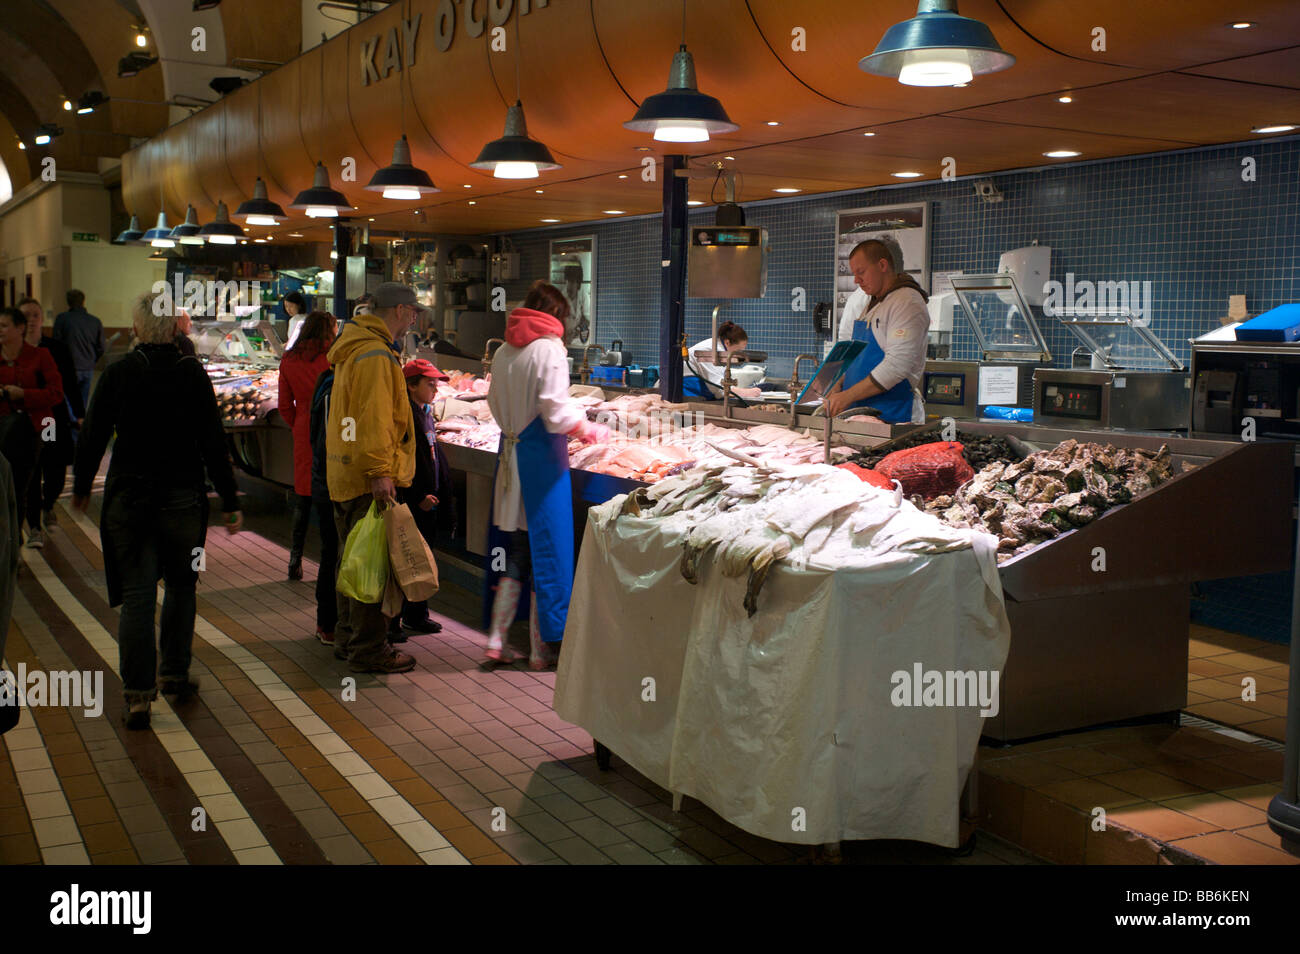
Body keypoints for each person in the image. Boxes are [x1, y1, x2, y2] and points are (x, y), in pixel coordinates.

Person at [72, 291, 243, 730]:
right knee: (183, 589)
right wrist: (229, 498)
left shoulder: (119, 373)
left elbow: (92, 434)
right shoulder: (192, 375)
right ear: (174, 329)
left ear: (136, 329)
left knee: (137, 596)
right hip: (183, 501)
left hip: (130, 500)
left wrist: (78, 488)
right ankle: (174, 674)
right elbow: (213, 441)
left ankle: (137, 698)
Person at [485, 280, 610, 669]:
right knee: (550, 553)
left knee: (519, 550)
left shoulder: (505, 349)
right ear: (556, 316)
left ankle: (497, 638)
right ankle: (543, 649)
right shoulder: (549, 349)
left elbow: (492, 401)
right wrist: (589, 429)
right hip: (541, 464)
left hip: (510, 456)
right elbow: (556, 414)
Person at [326, 281, 426, 674]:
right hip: (367, 477)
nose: (415, 318)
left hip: (346, 471)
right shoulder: (374, 355)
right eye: (413, 311)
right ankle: (368, 648)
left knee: (351, 560)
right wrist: (380, 472)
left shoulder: (357, 346)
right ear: (400, 310)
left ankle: (349, 637)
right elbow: (375, 419)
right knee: (370, 566)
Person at [822, 239, 929, 423]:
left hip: (892, 415)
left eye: (861, 272)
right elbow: (853, 352)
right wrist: (838, 382)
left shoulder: (906, 301)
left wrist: (847, 396)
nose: (856, 280)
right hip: (862, 414)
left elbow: (897, 365)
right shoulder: (874, 302)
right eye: (854, 274)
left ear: (882, 265)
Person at [387, 358, 453, 641]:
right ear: (411, 386)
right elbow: (399, 461)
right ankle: (394, 621)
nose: (435, 389)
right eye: (430, 383)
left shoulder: (425, 412)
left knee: (423, 557)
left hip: (430, 500)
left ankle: (416, 614)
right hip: (414, 501)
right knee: (406, 558)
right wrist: (416, 497)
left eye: (436, 383)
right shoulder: (403, 415)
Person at [278, 311, 336, 586]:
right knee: (332, 498)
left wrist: (298, 424)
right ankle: (333, 562)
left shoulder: (289, 359)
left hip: (303, 429)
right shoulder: (334, 358)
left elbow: (283, 406)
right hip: (332, 426)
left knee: (303, 498)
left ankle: (295, 559)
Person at [17, 297, 84, 534]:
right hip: (23, 420)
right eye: (26, 315)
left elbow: (70, 384)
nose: (32, 320)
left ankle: (48, 505)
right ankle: (34, 525)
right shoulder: (11, 350)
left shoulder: (55, 348)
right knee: (32, 470)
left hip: (51, 418)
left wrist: (79, 414)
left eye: (35, 315)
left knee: (55, 467)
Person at [0, 306, 63, 549]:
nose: (1, 330)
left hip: (33, 428)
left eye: (5, 326)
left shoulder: (41, 355)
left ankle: (25, 532)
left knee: (22, 483)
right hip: (2, 428)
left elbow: (56, 393)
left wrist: (23, 394)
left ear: (19, 328)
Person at [682, 320, 763, 400]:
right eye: (738, 350)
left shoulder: (720, 349)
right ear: (727, 342)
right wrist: (746, 392)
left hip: (700, 390)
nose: (739, 354)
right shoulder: (711, 350)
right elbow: (718, 388)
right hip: (689, 390)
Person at [53, 289, 105, 410]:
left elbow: (56, 344)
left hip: (68, 368)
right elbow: (102, 346)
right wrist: (92, 359)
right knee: (83, 403)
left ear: (68, 302)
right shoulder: (95, 321)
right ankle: (81, 426)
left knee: (69, 404)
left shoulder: (62, 319)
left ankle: (72, 427)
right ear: (83, 301)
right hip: (87, 367)